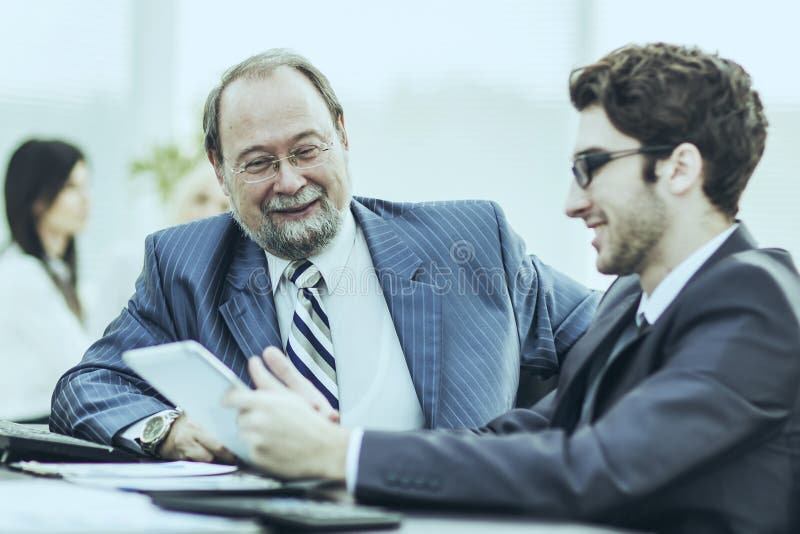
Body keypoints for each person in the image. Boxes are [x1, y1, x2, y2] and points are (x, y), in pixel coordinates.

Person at [222, 43, 800, 534]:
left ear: (679, 169)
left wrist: (340, 456)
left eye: (591, 167)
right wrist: (341, 446)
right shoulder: (631, 296)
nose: (573, 203)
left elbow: (593, 467)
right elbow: (541, 429)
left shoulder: (756, 300)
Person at [50, 49, 598, 462]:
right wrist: (164, 430)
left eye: (307, 150)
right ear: (219, 171)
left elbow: (616, 340)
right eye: (258, 162)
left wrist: (534, 440)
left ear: (342, 136)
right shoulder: (185, 263)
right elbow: (85, 385)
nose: (289, 181)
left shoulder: (471, 244)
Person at [0, 139, 93, 422]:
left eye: (86, 186)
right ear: (37, 199)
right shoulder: (24, 274)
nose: (85, 198)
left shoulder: (55, 273)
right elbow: (80, 363)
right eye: (70, 187)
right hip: (26, 428)